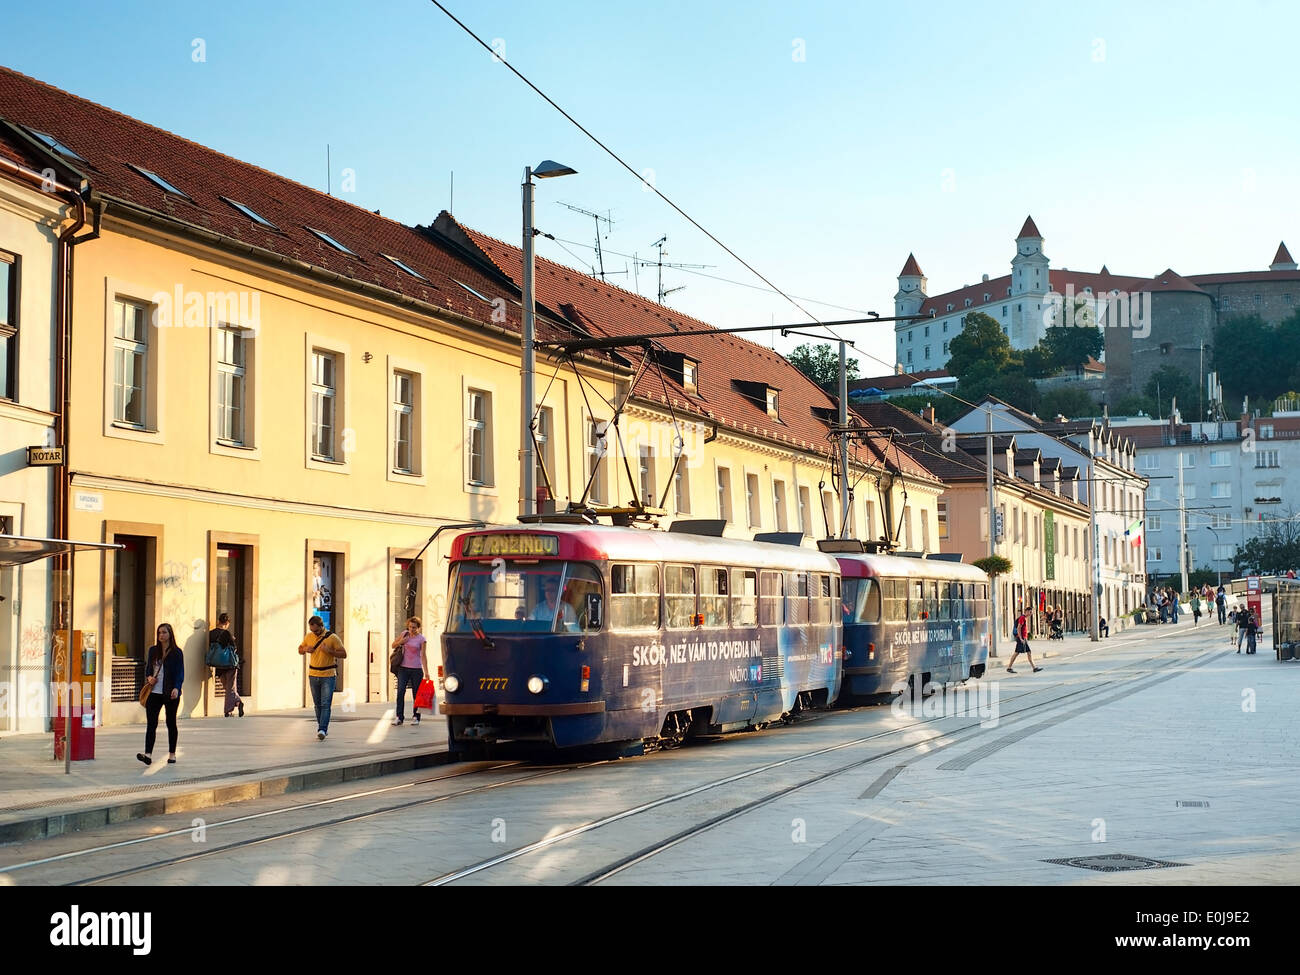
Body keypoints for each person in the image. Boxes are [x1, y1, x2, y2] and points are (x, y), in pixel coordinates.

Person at [137, 622, 184, 766]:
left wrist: (177, 687)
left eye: (164, 632)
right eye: (159, 633)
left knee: (171, 723)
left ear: (170, 634)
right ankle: (148, 754)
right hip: (154, 692)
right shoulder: (153, 650)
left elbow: (180, 672)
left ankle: (172, 754)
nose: (161, 635)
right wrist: (149, 677)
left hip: (170, 693)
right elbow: (148, 669)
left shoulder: (176, 652)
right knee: (151, 723)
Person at [298, 615, 346, 740]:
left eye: (316, 630)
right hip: (313, 675)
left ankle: (322, 729)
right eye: (312, 630)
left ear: (321, 626)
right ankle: (322, 726)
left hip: (328, 675)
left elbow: (344, 654)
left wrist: (330, 651)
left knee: (325, 704)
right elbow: (299, 649)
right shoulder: (308, 637)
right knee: (317, 704)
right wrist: (305, 649)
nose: (314, 633)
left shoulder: (332, 638)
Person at [390, 616, 430, 727]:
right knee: (400, 691)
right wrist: (402, 641)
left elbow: (423, 655)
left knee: (416, 694)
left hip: (416, 669)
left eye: (414, 627)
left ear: (419, 628)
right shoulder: (404, 634)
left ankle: (416, 717)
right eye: (410, 627)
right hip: (403, 668)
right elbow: (393, 645)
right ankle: (399, 717)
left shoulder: (422, 639)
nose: (411, 629)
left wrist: (426, 671)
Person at [209, 612, 243, 717]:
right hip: (230, 664)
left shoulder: (211, 634)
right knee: (230, 688)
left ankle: (236, 703)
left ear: (218, 621)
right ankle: (230, 709)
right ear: (227, 623)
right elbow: (234, 648)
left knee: (227, 688)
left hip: (218, 665)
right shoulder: (227, 634)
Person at [1006, 606, 1043, 675]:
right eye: (1030, 612)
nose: (1031, 613)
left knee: (1025, 652)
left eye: (1031, 612)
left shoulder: (1024, 618)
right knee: (1018, 652)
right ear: (1026, 611)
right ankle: (1009, 667)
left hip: (1023, 638)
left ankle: (1034, 667)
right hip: (1022, 638)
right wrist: (1021, 638)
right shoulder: (1022, 618)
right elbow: (1018, 628)